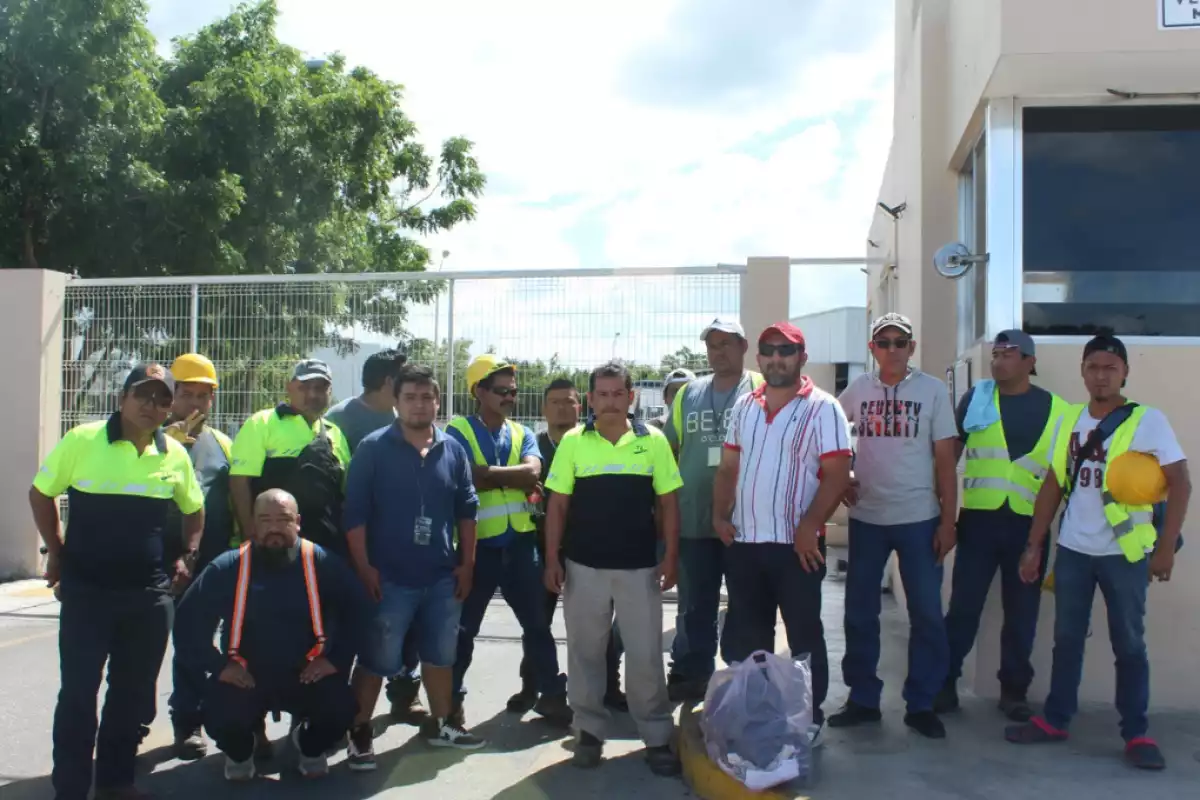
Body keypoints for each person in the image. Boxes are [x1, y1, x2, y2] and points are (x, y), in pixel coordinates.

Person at [1005, 335, 1191, 771]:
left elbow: (1180, 481)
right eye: (1093, 367)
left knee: (1129, 643)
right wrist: (1034, 545)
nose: (1101, 375)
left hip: (1123, 553)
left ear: (1125, 372)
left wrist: (1166, 549)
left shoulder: (1147, 421)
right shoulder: (1069, 420)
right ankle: (1055, 719)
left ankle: (1137, 732)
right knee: (1066, 640)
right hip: (1073, 549)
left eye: (1110, 367)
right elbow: (1053, 483)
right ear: (1083, 371)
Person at [29, 364, 204, 800]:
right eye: (142, 395)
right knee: (78, 694)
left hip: (148, 596)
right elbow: (41, 492)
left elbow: (194, 508)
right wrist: (56, 552)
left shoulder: (174, 455)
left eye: (162, 400)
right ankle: (69, 786)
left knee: (130, 695)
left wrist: (188, 553)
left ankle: (114, 781)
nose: (151, 406)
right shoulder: (82, 441)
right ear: (122, 398)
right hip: (87, 592)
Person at [712, 322, 850, 744]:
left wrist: (810, 527)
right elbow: (728, 467)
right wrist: (719, 515)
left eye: (786, 351)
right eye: (769, 350)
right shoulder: (745, 408)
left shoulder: (823, 408)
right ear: (760, 358)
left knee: (804, 635)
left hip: (797, 548)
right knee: (747, 636)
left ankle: (809, 719)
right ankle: (755, 711)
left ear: (801, 358)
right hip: (746, 544)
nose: (777, 359)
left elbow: (837, 474)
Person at [343, 365, 486, 770]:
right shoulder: (372, 448)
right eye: (410, 397)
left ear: (438, 401)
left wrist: (467, 565)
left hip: (442, 577)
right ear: (396, 401)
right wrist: (365, 569)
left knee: (441, 655)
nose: (419, 404)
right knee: (377, 659)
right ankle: (358, 732)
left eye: (427, 397)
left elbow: (467, 510)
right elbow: (354, 514)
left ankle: (443, 725)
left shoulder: (453, 450)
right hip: (388, 578)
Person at [544, 360, 683, 776]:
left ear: (631, 397)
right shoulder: (572, 442)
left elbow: (668, 504)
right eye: (601, 394)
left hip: (639, 569)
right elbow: (557, 506)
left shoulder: (654, 441)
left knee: (644, 657)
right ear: (590, 399)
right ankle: (588, 732)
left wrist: (671, 556)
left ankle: (657, 737)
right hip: (583, 567)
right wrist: (552, 559)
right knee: (585, 653)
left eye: (617, 393)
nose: (609, 401)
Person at [173, 489, 366, 781]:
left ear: (298, 521)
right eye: (265, 520)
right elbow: (188, 623)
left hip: (306, 673)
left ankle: (308, 745)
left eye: (283, 519)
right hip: (246, 675)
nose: (274, 528)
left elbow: (359, 613)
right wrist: (220, 667)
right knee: (218, 713)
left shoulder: (322, 562)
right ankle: (242, 749)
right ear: (253, 523)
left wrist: (335, 660)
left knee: (340, 707)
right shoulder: (228, 567)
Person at [831, 312, 958, 739]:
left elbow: (945, 459)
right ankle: (863, 699)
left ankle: (921, 702)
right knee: (859, 613)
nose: (891, 349)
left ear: (911, 348)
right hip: (868, 519)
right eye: (882, 342)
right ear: (872, 349)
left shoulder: (932, 391)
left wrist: (948, 520)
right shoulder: (858, 389)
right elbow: (828, 432)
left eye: (898, 341)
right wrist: (844, 475)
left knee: (926, 614)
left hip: (920, 519)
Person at [936, 331, 1067, 722]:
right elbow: (948, 461)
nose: (999, 361)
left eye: (1009, 354)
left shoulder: (1059, 410)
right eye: (995, 354)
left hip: (1029, 526)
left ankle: (1014, 691)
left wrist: (1037, 539)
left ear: (1030, 361)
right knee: (962, 608)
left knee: (1022, 613)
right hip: (978, 522)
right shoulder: (975, 398)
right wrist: (945, 515)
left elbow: (1056, 478)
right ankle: (944, 683)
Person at [444, 355, 570, 727]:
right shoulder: (457, 432)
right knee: (464, 630)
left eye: (512, 390)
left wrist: (490, 474)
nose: (510, 396)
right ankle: (451, 702)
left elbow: (534, 471)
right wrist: (510, 477)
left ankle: (551, 694)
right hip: (477, 548)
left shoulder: (521, 432)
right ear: (479, 391)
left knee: (537, 626)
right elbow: (469, 478)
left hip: (520, 545)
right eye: (502, 390)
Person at [510, 379, 627, 714]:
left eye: (570, 401)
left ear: (582, 407)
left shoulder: (593, 443)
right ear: (544, 408)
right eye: (555, 401)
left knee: (598, 623)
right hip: (541, 548)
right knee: (537, 621)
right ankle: (531, 686)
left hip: (588, 549)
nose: (563, 407)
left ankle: (608, 687)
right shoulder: (532, 449)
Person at [664, 318, 763, 701]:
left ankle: (741, 679)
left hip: (745, 522)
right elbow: (668, 449)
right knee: (695, 605)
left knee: (744, 603)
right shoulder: (688, 393)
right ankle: (692, 674)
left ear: (743, 345)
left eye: (726, 344)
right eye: (712, 345)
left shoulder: (761, 388)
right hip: (693, 520)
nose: (718, 352)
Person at [326, 348, 425, 722]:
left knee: (410, 624)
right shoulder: (340, 420)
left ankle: (404, 694)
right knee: (358, 629)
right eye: (405, 382)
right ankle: (344, 711)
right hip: (355, 548)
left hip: (403, 548)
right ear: (389, 383)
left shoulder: (408, 419)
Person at [159, 353, 243, 760]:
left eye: (203, 396)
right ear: (171, 395)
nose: (194, 404)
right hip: (155, 560)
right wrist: (165, 446)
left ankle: (189, 721)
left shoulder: (223, 442)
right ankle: (131, 721)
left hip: (207, 561)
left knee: (195, 642)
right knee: (143, 649)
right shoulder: (148, 437)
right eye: (186, 394)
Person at [229, 358, 351, 557]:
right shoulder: (263, 423)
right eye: (304, 387)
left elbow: (343, 492)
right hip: (272, 545)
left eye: (320, 388)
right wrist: (250, 533)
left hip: (323, 550)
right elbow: (239, 481)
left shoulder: (335, 433)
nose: (312, 394)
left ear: (330, 392)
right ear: (289, 388)